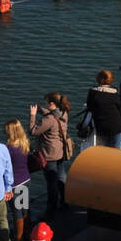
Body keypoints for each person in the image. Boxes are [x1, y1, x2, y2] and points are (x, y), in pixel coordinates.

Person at [28, 93, 70, 221]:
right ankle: (65, 201)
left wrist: (33, 115)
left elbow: (33, 131)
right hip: (60, 151)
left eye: (47, 102)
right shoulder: (63, 112)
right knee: (61, 176)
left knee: (51, 183)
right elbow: (53, 116)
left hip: (49, 154)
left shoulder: (49, 120)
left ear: (52, 103)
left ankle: (51, 210)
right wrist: (42, 110)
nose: (46, 103)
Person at [3, 121, 31, 241]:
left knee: (17, 213)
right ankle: (27, 233)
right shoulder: (25, 144)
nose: (4, 132)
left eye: (6, 130)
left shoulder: (9, 148)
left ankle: (18, 239)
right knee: (25, 209)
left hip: (16, 184)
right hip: (25, 179)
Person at [85, 70, 121, 148]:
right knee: (116, 148)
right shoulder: (115, 94)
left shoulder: (93, 93)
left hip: (101, 125)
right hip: (115, 125)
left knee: (106, 147)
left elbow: (89, 107)